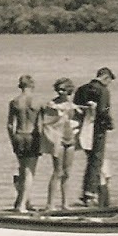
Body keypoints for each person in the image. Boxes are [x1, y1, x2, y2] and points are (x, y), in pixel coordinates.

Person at [72, 68, 116, 206]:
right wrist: (110, 123)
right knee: (96, 160)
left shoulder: (81, 89)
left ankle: (88, 192)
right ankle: (90, 193)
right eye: (109, 81)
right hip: (98, 129)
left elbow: (75, 107)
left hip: (82, 128)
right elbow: (104, 110)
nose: (108, 84)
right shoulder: (103, 90)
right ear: (105, 77)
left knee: (90, 160)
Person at [38, 77, 82, 210]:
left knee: (67, 172)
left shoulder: (72, 105)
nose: (61, 92)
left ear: (69, 90)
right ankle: (50, 204)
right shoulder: (52, 104)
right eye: (59, 89)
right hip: (58, 139)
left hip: (70, 139)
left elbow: (80, 119)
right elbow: (46, 121)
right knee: (57, 172)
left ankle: (65, 203)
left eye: (64, 89)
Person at [6, 75, 44, 211]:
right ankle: (22, 205)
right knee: (30, 172)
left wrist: (12, 141)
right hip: (33, 136)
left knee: (23, 170)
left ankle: (24, 201)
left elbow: (10, 125)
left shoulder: (15, 102)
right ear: (32, 86)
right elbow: (43, 124)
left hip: (19, 135)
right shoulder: (38, 102)